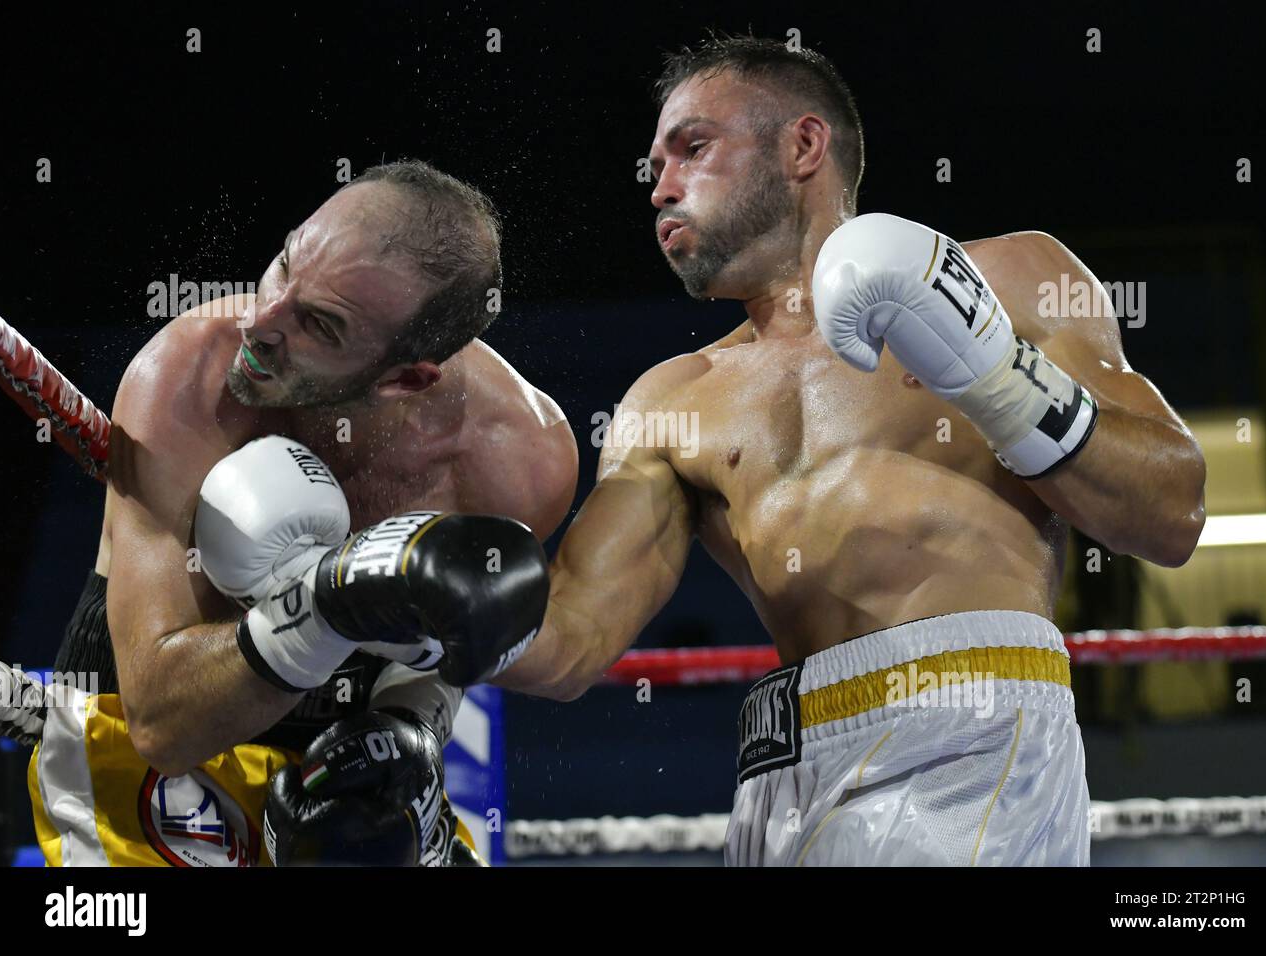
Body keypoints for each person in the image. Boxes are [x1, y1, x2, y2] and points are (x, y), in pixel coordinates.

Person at [495, 35, 1206, 866]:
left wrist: (997, 376)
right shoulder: (671, 399)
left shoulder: (1009, 278)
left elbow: (1172, 514)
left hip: (965, 747)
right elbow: (573, 636)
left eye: (692, 147)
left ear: (803, 146)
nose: (660, 186)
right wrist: (414, 603)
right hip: (777, 778)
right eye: (654, 165)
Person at [26, 159, 577, 866]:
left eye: (318, 323)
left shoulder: (521, 460)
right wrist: (328, 603)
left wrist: (409, 731)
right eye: (284, 266)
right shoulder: (189, 376)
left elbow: (445, 637)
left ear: (406, 378)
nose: (259, 320)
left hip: (340, 763)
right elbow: (161, 726)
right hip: (144, 745)